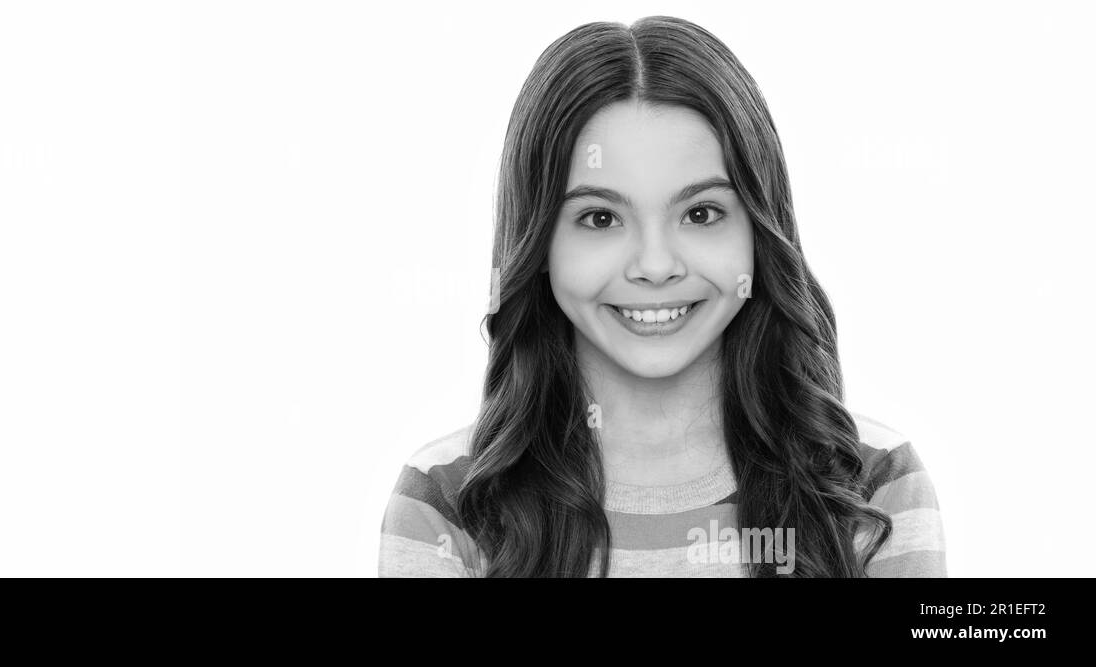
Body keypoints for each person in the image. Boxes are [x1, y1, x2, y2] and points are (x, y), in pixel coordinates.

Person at [378, 16, 946, 577]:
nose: (655, 266)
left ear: (758, 232)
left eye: (701, 214)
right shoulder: (449, 504)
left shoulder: (871, 487)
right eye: (600, 218)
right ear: (539, 242)